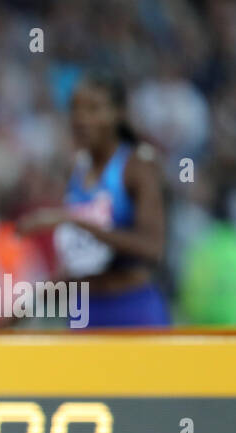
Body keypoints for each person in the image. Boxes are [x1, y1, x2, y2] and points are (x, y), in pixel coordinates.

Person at [17, 73, 168, 327]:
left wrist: (74, 220)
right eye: (75, 109)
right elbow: (84, 264)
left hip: (132, 308)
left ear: (118, 113)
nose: (81, 119)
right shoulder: (76, 169)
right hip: (83, 311)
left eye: (93, 109)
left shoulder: (137, 166)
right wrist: (31, 302)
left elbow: (151, 248)